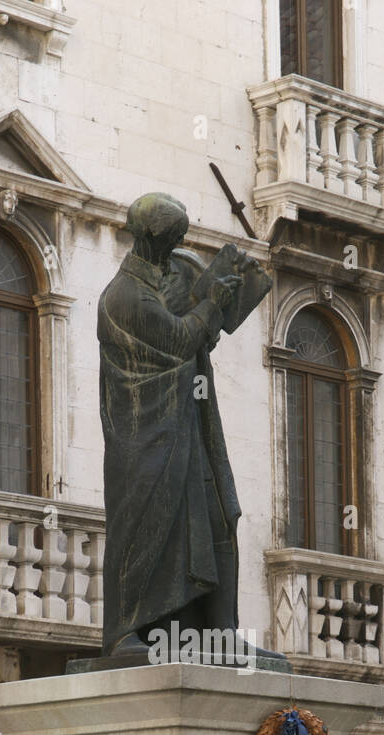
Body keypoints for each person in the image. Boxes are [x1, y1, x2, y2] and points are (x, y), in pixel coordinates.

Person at [97, 192, 247, 659]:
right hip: (147, 440)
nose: (183, 244)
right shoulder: (125, 297)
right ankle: (125, 632)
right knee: (144, 526)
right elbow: (179, 340)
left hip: (189, 426)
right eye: (177, 237)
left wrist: (211, 302)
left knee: (217, 515)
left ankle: (214, 632)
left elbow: (190, 339)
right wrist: (212, 303)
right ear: (152, 237)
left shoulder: (168, 275)